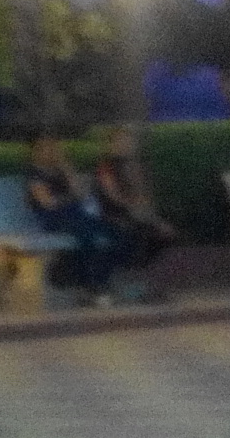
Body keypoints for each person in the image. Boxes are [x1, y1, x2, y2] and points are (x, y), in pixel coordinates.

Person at [23, 131, 123, 304]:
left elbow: (79, 192)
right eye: (46, 147)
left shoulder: (60, 170)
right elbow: (48, 203)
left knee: (112, 233)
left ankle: (97, 282)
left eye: (54, 147)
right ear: (36, 151)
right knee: (87, 237)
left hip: (76, 215)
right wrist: (70, 199)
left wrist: (66, 167)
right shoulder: (35, 175)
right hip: (55, 219)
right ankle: (92, 285)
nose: (51, 151)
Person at [93, 125, 176, 302]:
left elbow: (144, 195)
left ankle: (138, 278)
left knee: (163, 235)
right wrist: (133, 204)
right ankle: (131, 283)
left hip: (135, 215)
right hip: (113, 215)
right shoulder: (105, 166)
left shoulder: (134, 166)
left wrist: (151, 216)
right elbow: (113, 196)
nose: (125, 145)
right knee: (137, 234)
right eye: (120, 141)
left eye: (128, 141)